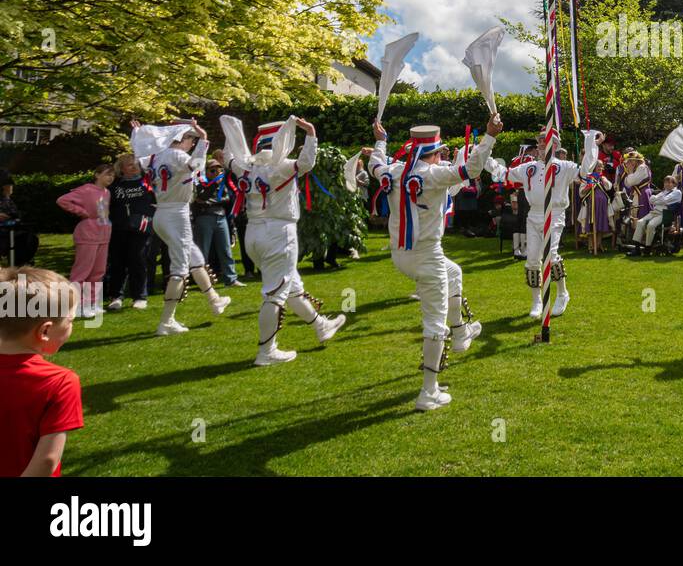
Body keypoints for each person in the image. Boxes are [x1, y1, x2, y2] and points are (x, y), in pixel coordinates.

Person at [370, 116, 501, 410]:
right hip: (427, 256)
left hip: (401, 254)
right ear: (434, 152)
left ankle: (460, 332)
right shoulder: (432, 176)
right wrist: (489, 136)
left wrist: (380, 139)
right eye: (440, 151)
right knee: (433, 323)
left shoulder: (393, 171)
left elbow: (374, 165)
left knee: (455, 272)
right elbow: (472, 170)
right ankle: (429, 391)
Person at [224, 117, 345, 366]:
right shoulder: (281, 166)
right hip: (279, 233)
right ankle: (266, 351)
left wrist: (232, 134)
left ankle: (321, 326)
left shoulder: (245, 167)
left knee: (291, 287)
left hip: (253, 232)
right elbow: (307, 163)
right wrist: (311, 133)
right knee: (275, 294)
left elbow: (228, 157)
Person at [131, 119, 231, 336]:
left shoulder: (155, 157)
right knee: (179, 268)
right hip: (176, 213)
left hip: (162, 213)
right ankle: (166, 321)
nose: (191, 144)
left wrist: (137, 134)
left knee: (194, 257)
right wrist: (204, 140)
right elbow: (196, 166)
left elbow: (138, 156)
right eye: (190, 140)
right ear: (182, 139)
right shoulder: (176, 155)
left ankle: (214, 299)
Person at [0, 267, 83, 476]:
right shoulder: (61, 382)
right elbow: (47, 461)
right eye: (70, 321)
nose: (72, 327)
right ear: (45, 330)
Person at [506, 131, 597, 317]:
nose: (540, 145)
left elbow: (586, 171)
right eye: (539, 142)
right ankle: (536, 300)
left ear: (554, 145)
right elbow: (505, 174)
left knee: (551, 255)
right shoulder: (528, 167)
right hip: (534, 215)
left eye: (545, 141)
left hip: (554, 214)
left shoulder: (564, 166)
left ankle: (562, 293)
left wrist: (590, 144)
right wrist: (485, 159)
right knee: (532, 259)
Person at [56, 164, 114, 317]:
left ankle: (92, 303)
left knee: (98, 271)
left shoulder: (107, 192)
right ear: (97, 175)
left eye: (112, 175)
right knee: (82, 271)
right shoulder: (86, 190)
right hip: (88, 234)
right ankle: (76, 305)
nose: (110, 178)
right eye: (107, 174)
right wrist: (82, 212)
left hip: (103, 234)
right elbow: (62, 200)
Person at [105, 154, 154, 311]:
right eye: (129, 165)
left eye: (136, 164)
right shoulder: (115, 185)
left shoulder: (147, 182)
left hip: (141, 228)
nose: (133, 167)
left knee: (138, 260)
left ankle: (139, 296)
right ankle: (116, 296)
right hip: (119, 228)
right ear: (121, 169)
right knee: (117, 262)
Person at [191, 158, 241, 288]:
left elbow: (227, 198)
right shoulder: (200, 182)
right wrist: (213, 184)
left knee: (225, 250)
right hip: (204, 218)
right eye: (212, 170)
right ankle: (202, 281)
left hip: (220, 217)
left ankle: (231, 279)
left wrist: (210, 202)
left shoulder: (222, 183)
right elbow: (200, 197)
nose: (215, 172)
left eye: (218, 169)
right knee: (203, 251)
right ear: (206, 171)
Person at [630, 176, 681, 254]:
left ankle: (648, 248)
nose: (667, 184)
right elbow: (651, 200)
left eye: (669, 182)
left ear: (674, 184)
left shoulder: (677, 192)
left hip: (665, 214)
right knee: (640, 222)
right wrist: (658, 200)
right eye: (665, 182)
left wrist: (656, 200)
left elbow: (664, 200)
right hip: (654, 212)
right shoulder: (663, 192)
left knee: (651, 225)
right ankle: (636, 249)